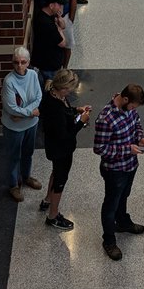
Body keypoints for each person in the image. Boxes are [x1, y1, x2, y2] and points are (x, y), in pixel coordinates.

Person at [93, 83, 144, 260]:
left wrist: (140, 138)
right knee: (111, 203)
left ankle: (123, 222)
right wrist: (128, 150)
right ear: (125, 99)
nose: (133, 109)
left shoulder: (130, 109)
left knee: (123, 195)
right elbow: (100, 149)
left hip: (130, 165)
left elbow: (137, 123)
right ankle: (109, 240)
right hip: (115, 170)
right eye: (132, 106)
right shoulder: (106, 118)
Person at [38, 69, 91, 231]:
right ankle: (53, 215)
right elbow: (65, 135)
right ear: (63, 88)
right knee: (60, 179)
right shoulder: (56, 107)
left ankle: (48, 199)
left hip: (54, 147)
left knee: (55, 171)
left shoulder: (54, 96)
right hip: (61, 149)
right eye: (70, 89)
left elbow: (65, 111)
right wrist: (81, 122)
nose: (71, 91)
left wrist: (76, 110)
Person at [1, 47, 42, 202]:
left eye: (23, 62)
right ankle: (13, 185)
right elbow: (11, 108)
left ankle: (26, 177)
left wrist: (21, 113)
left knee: (28, 152)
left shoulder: (33, 75)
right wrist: (31, 112)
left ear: (28, 62)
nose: (19, 66)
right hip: (14, 127)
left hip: (31, 124)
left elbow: (38, 97)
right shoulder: (9, 81)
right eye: (16, 62)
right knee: (13, 156)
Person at [31, 0, 68, 85]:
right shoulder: (46, 23)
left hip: (50, 64)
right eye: (59, 4)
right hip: (48, 68)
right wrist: (58, 29)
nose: (61, 7)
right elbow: (63, 43)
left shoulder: (48, 15)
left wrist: (59, 18)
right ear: (51, 5)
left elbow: (63, 26)